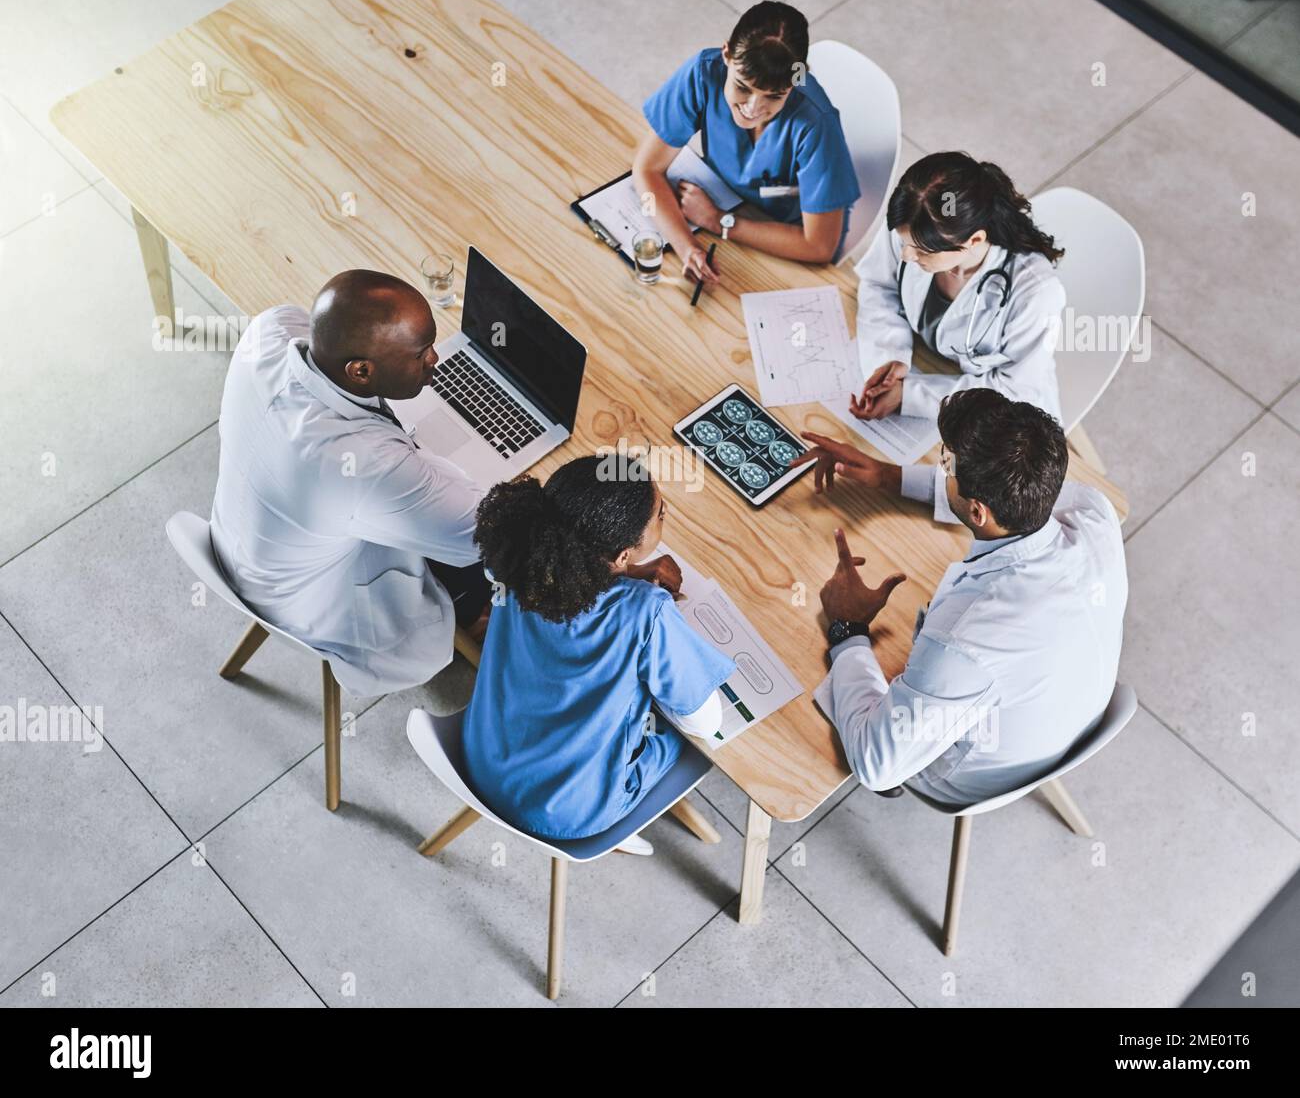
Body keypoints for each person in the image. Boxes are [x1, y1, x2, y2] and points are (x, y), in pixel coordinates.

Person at [794, 388, 1127, 806]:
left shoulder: (966, 639)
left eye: (945, 464)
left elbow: (875, 765)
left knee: (800, 677)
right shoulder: (1092, 512)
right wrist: (888, 476)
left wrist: (848, 628)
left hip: (968, 772)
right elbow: (1012, 497)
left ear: (976, 512)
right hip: (1063, 711)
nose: (941, 467)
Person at [210, 270, 490, 698]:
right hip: (314, 605)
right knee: (497, 555)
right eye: (421, 354)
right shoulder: (357, 464)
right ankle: (480, 619)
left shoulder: (270, 329)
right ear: (360, 370)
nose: (436, 360)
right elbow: (482, 534)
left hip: (241, 541)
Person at [461, 455, 734, 851]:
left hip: (484, 765)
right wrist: (650, 605)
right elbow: (705, 721)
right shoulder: (646, 611)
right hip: (573, 814)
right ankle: (623, 819)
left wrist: (621, 580)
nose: (664, 515)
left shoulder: (515, 556)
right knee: (693, 743)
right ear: (624, 555)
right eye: (661, 514)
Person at [633, 0, 861, 282]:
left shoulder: (816, 124)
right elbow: (647, 169)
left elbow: (819, 245)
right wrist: (687, 247)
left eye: (774, 96)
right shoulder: (704, 72)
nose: (753, 108)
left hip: (779, 236)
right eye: (742, 86)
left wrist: (719, 221)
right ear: (726, 54)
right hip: (720, 203)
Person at [852, 152, 1065, 424]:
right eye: (904, 243)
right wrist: (888, 355)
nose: (906, 255)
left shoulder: (1035, 293)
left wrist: (910, 396)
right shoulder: (913, 222)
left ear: (973, 240)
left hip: (1001, 422)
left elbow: (1017, 390)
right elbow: (878, 284)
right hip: (926, 363)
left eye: (922, 251)